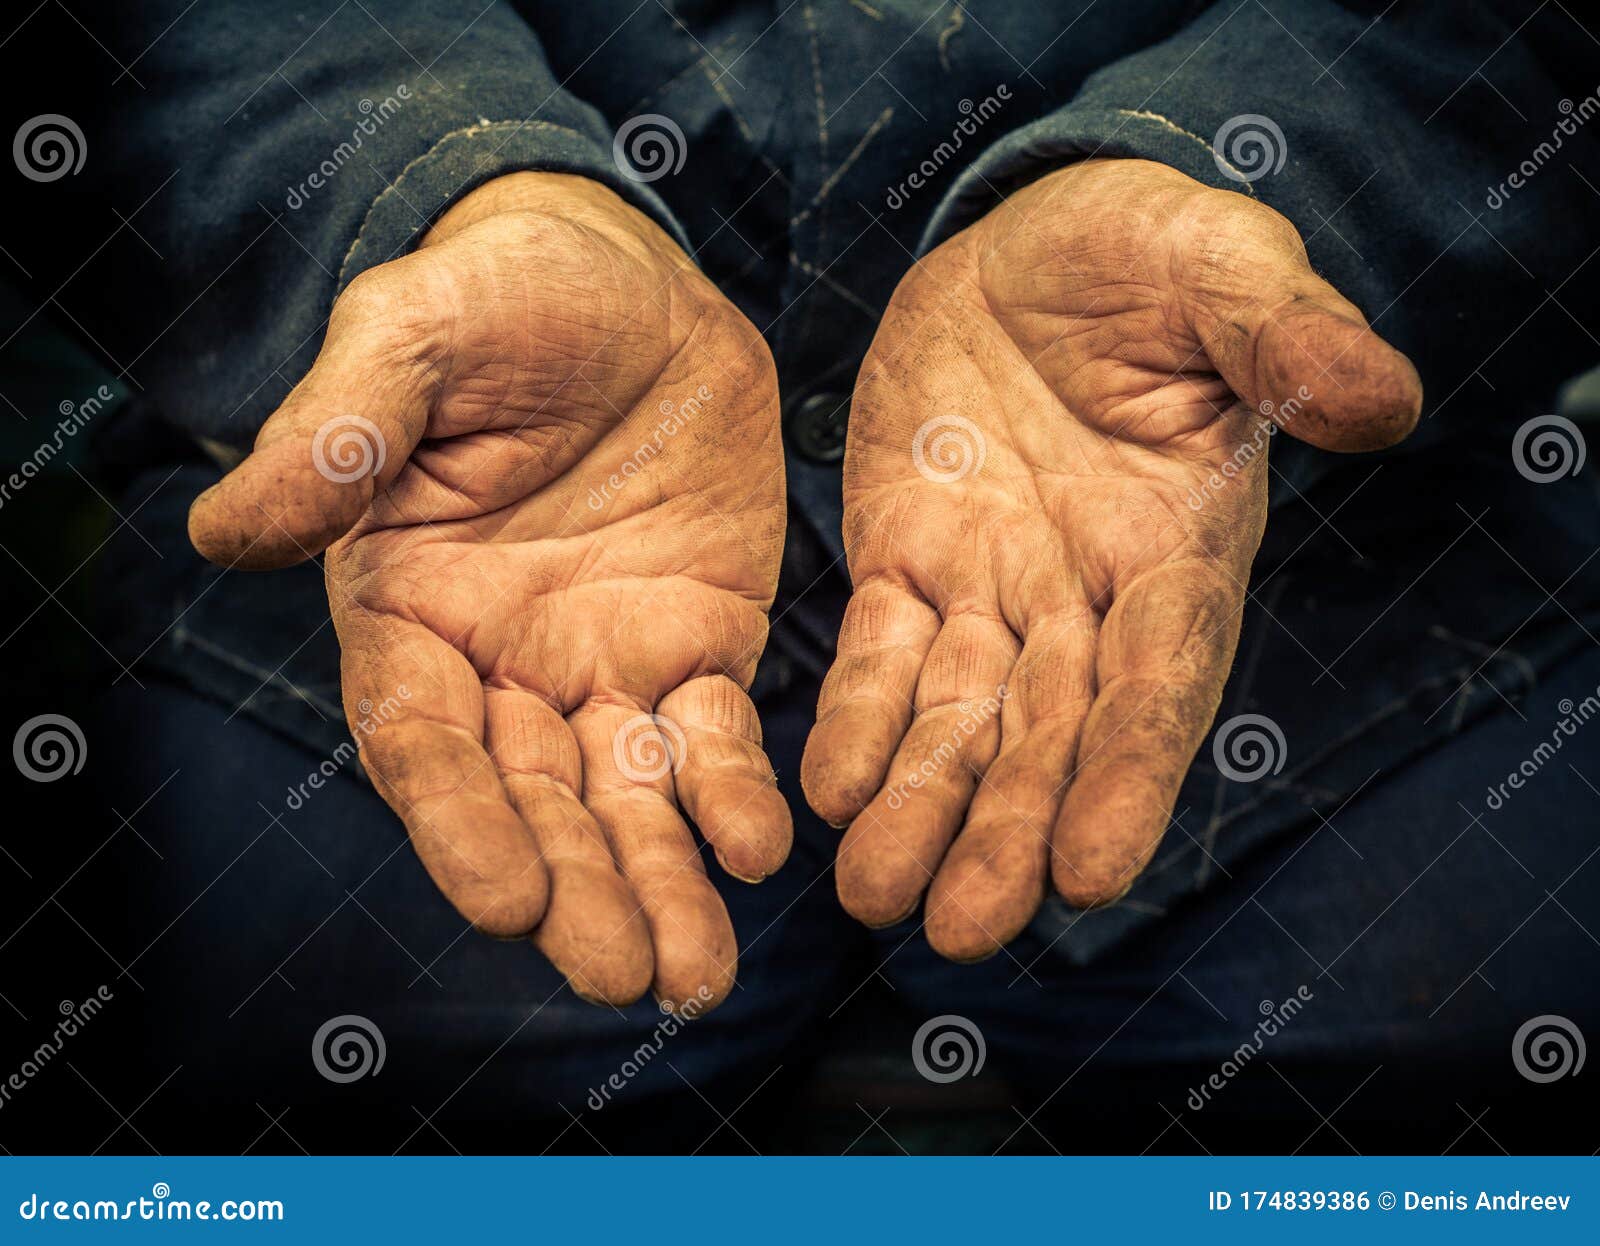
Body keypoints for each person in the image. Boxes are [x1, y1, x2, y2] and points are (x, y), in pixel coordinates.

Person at [9, 0, 1600, 1150]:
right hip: (465, 546)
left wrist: (1238, 173)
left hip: (1293, 565)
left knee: (1422, 1059)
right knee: (320, 1049)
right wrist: (442, 182)